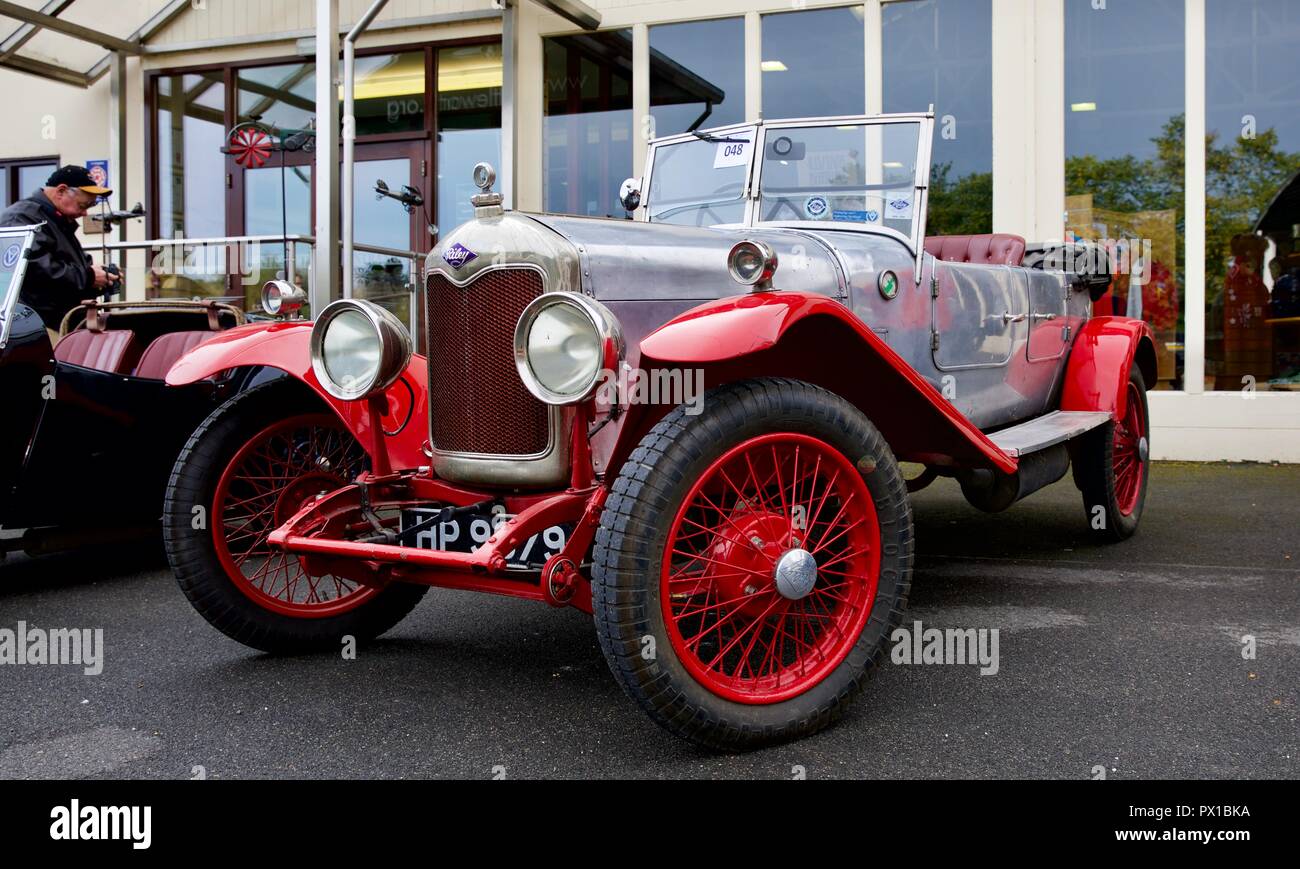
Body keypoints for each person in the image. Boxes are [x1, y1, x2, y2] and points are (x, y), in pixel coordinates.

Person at [0, 165, 118, 345]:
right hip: (34, 326)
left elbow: (64, 270)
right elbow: (35, 270)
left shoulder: (53, 220)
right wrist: (88, 277)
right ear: (61, 191)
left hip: (54, 323)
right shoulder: (22, 218)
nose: (85, 213)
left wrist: (101, 278)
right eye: (83, 205)